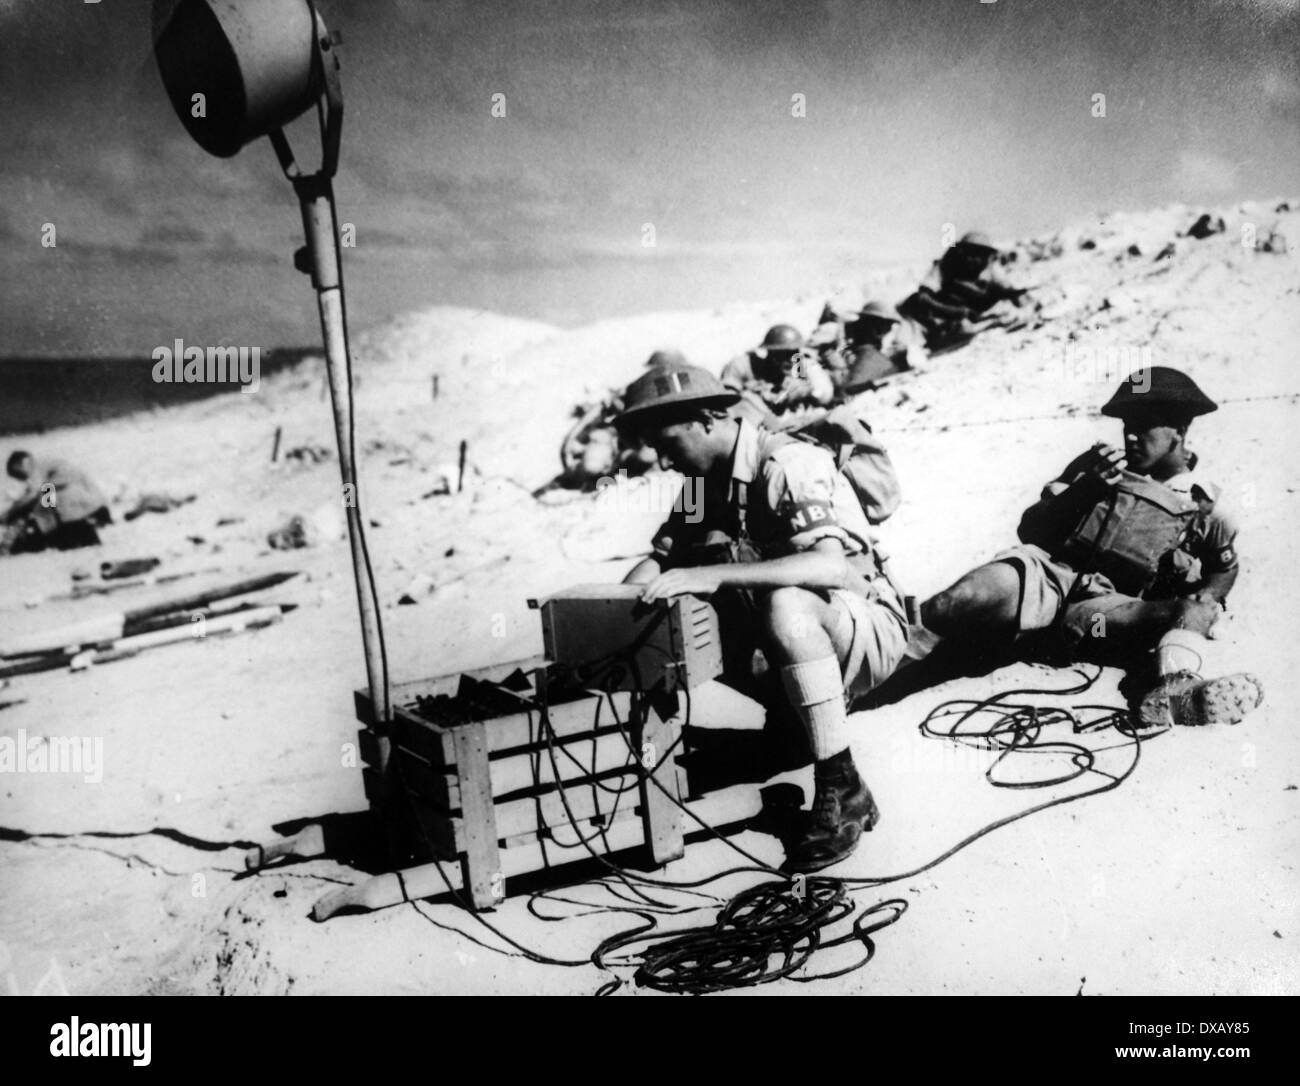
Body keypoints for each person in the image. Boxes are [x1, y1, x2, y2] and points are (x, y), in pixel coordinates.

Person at [614, 362, 909, 871]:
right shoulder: (703, 484)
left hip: (864, 630)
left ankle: (843, 784)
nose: (662, 461)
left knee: (786, 603)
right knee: (665, 612)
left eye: (668, 443)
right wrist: (610, 613)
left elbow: (829, 566)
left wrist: (716, 578)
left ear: (708, 418)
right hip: (795, 642)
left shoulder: (788, 464)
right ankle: (796, 727)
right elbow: (662, 560)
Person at [916, 367, 1263, 728]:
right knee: (959, 599)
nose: (1130, 435)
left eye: (1144, 425)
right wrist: (1086, 488)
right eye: (1126, 424)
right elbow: (1031, 530)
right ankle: (883, 655)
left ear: (1181, 429)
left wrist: (1210, 593)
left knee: (1191, 614)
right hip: (1046, 576)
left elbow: (1225, 565)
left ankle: (1177, 695)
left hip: (1105, 610)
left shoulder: (1201, 505)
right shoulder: (1097, 466)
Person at [558, 349, 687, 486]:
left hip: (651, 448)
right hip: (625, 443)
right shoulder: (638, 388)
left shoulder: (682, 390)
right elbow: (606, 410)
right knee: (594, 465)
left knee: (647, 456)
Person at [897, 231, 1030, 349]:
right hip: (926, 317)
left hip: (960, 322)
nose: (974, 258)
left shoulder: (991, 270)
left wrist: (1019, 299)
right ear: (961, 251)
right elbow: (923, 297)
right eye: (970, 252)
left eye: (980, 254)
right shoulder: (947, 264)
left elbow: (1015, 295)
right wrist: (957, 312)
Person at [0, 451, 112, 554]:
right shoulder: (46, 467)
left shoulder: (35, 466)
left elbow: (32, 493)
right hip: (85, 497)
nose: (23, 479)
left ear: (22, 464)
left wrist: (10, 513)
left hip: (71, 497)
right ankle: (55, 538)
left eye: (19, 474)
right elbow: (38, 493)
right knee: (44, 508)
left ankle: (48, 538)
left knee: (44, 510)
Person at [720, 324, 835, 419]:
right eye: (783, 354)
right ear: (770, 353)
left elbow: (825, 393)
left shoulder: (801, 363)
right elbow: (726, 399)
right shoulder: (746, 365)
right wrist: (758, 393)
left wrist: (808, 392)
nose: (790, 359)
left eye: (794, 352)